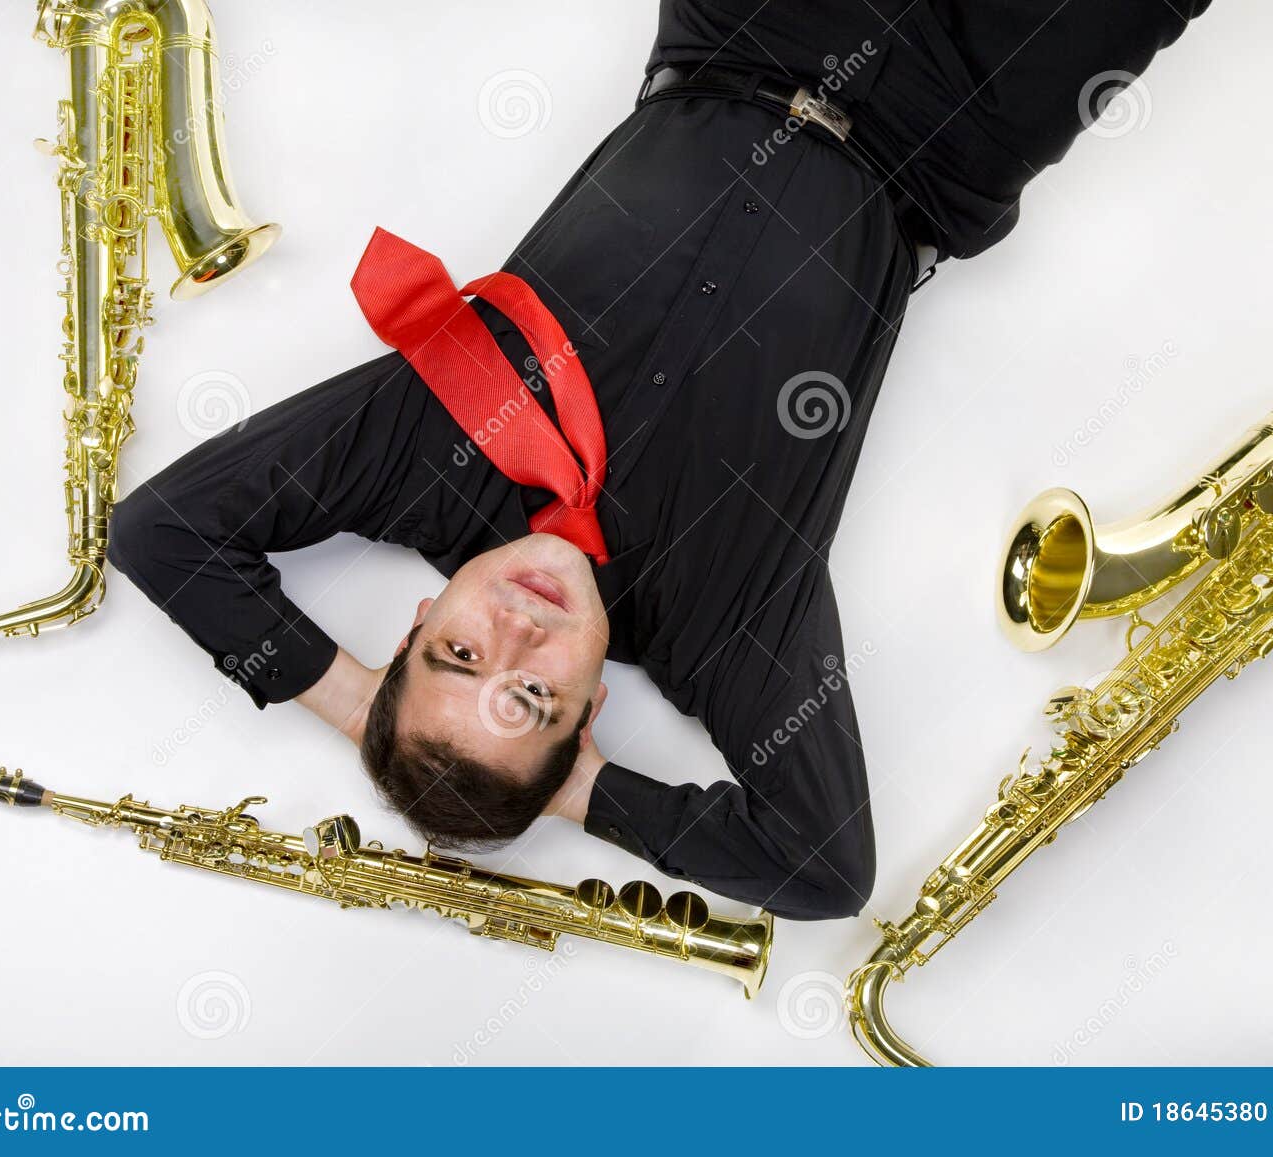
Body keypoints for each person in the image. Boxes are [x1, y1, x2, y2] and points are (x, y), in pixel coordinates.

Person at [107, 0, 1212, 920]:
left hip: (744, 35)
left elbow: (158, 529)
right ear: (586, 715)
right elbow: (821, 866)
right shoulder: (724, 629)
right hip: (961, 116)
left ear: (417, 621)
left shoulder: (416, 453)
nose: (517, 632)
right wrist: (580, 796)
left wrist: (364, 715)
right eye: (533, 694)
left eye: (454, 654)